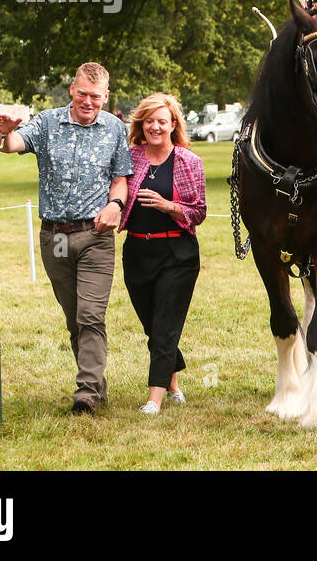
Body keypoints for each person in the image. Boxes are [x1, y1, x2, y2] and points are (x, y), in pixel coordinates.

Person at [0, 62, 132, 414]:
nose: (89, 102)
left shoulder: (115, 128)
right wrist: (7, 132)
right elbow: (12, 145)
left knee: (90, 314)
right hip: (54, 236)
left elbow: (120, 177)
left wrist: (116, 204)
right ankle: (96, 385)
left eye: (96, 97)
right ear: (73, 88)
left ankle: (85, 393)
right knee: (75, 317)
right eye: (83, 94)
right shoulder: (48, 121)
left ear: (106, 96)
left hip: (95, 236)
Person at [117, 93, 206, 415]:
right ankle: (173, 383)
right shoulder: (129, 157)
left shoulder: (189, 161)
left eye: (162, 121)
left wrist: (171, 207)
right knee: (152, 326)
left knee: (166, 324)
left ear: (173, 125)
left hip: (177, 252)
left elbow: (199, 213)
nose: (155, 126)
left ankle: (154, 400)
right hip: (137, 250)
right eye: (150, 121)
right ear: (141, 124)